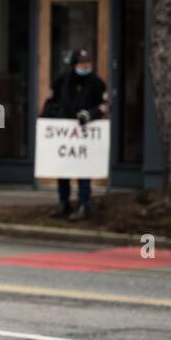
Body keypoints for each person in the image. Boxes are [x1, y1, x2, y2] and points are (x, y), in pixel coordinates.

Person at [43, 47, 109, 220]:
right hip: (63, 132)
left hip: (85, 133)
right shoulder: (62, 81)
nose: (85, 67)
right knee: (63, 168)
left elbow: (104, 106)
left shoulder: (97, 83)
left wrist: (90, 115)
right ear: (73, 64)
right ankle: (63, 202)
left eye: (88, 64)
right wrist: (48, 121)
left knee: (83, 169)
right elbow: (49, 102)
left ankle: (83, 203)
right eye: (81, 64)